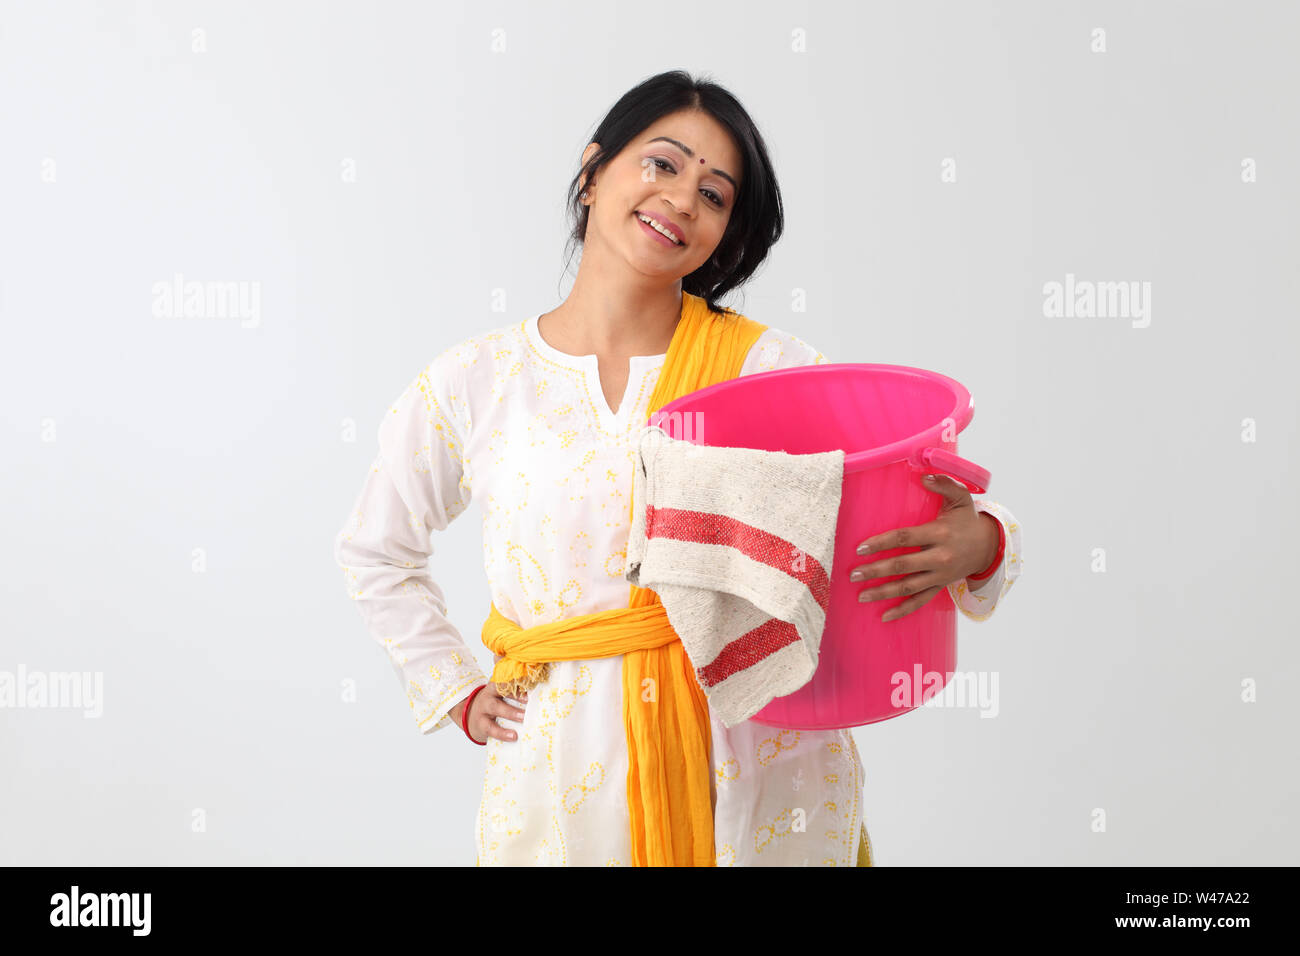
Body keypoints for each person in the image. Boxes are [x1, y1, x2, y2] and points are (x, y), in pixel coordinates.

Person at [334, 70, 1022, 866]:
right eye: (662, 163)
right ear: (593, 172)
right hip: (564, 781)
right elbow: (374, 549)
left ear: (725, 235)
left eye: (716, 194)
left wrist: (984, 542)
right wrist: (452, 685)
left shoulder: (767, 368)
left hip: (757, 770)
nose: (684, 198)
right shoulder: (477, 380)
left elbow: (892, 494)